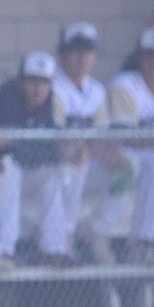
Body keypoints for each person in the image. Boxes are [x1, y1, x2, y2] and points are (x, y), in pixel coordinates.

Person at [0, 52, 68, 272]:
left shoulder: (52, 101)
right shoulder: (4, 99)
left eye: (44, 82)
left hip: (30, 170)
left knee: (52, 175)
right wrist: (30, 146)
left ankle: (54, 249)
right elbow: (1, 145)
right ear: (21, 81)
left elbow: (54, 147)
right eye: (32, 81)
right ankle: (4, 249)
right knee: (9, 167)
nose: (38, 88)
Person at [102, 26, 154, 264]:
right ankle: (98, 230)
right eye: (150, 55)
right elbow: (127, 137)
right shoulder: (124, 84)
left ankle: (142, 244)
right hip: (106, 160)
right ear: (139, 57)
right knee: (129, 161)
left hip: (149, 157)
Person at [51, 23, 115, 264]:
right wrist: (89, 148)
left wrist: (111, 154)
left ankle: (98, 227)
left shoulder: (96, 90)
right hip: (57, 165)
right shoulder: (52, 85)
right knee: (76, 157)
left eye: (87, 52)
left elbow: (103, 135)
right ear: (61, 55)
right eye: (75, 51)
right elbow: (57, 137)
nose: (82, 58)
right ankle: (65, 237)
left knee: (127, 168)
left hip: (86, 159)